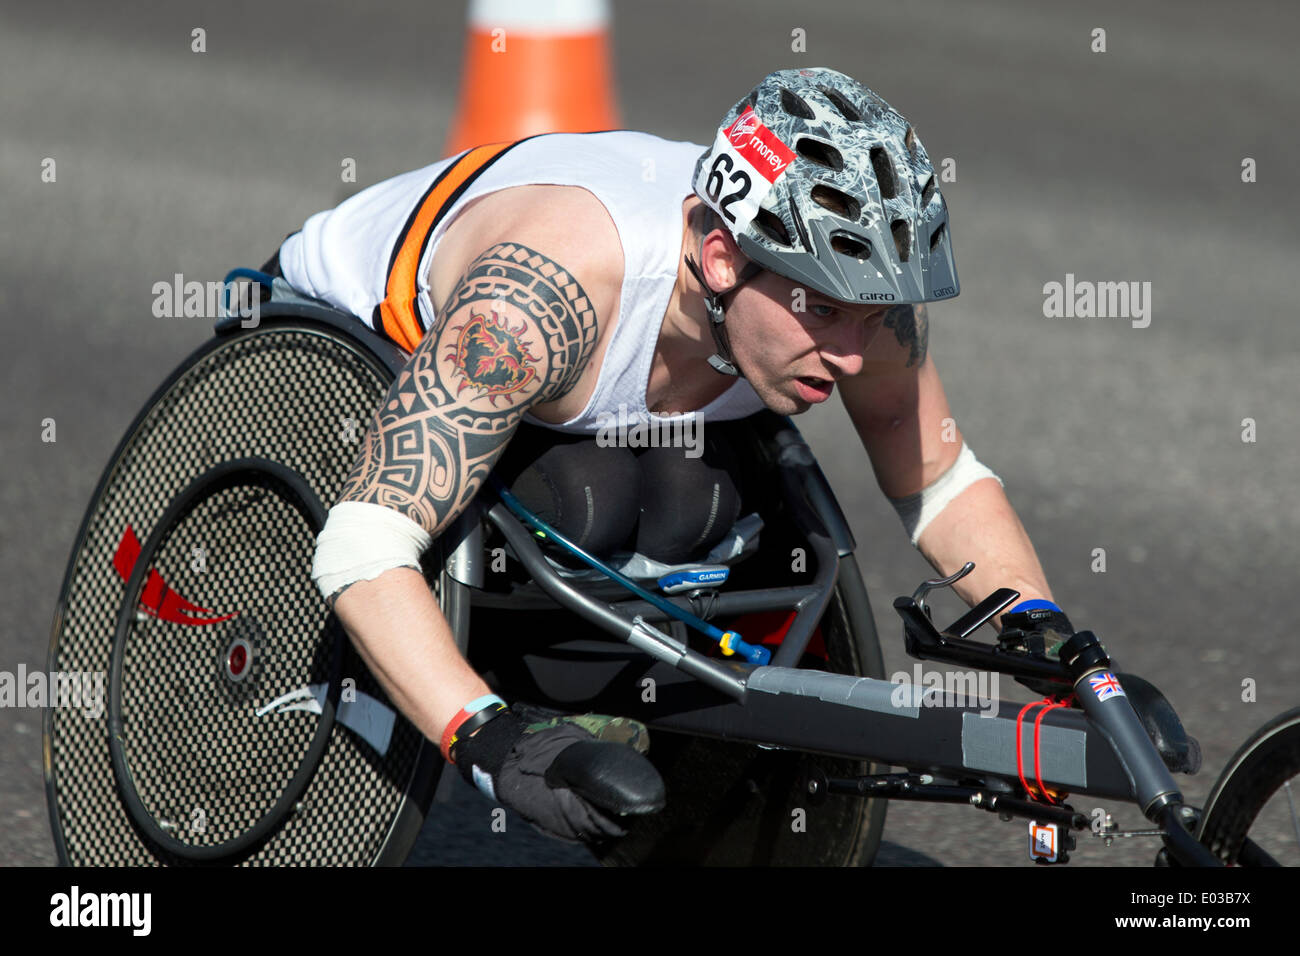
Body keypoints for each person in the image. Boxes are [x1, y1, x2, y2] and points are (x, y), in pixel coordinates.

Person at [293, 67, 1072, 846]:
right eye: (825, 312)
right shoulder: (533, 304)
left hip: (605, 396)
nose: (854, 358)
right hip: (355, 352)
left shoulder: (857, 300)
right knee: (587, 496)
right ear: (724, 260)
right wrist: (490, 740)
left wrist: (1051, 649)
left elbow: (938, 479)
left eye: (870, 318)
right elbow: (363, 545)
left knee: (700, 496)